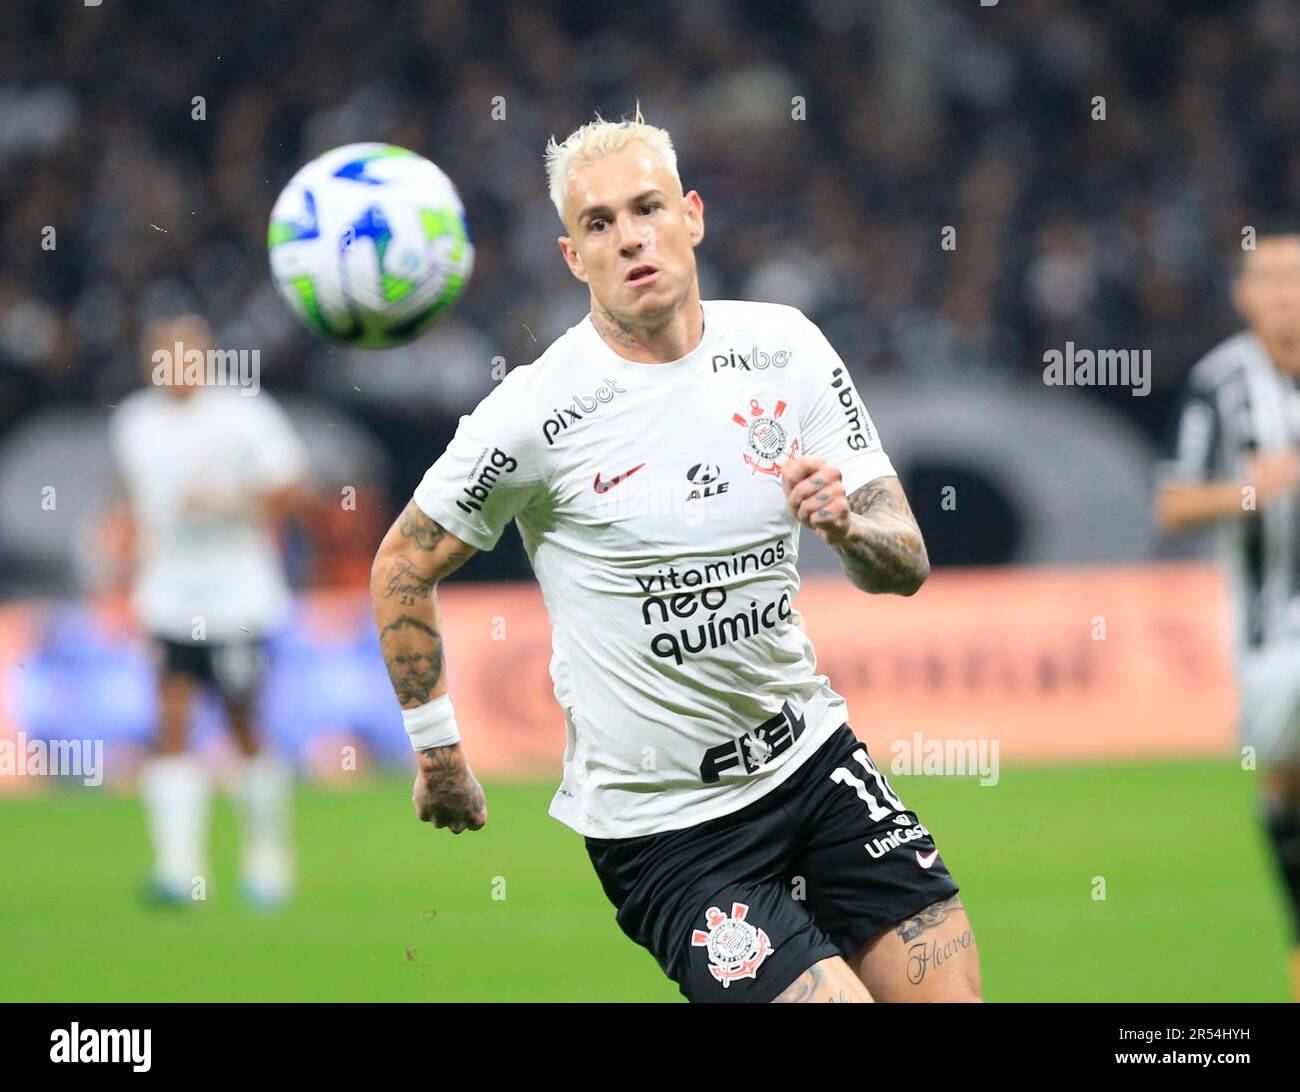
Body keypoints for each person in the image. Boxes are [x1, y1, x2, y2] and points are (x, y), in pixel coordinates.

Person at [370, 111, 982, 1002]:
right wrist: (437, 752)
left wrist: (847, 526)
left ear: (692, 215)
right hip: (671, 832)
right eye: (599, 224)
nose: (630, 238)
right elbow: (400, 565)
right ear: (573, 257)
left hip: (812, 763)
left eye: (646, 208)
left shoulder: (785, 349)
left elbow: (907, 562)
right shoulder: (536, 414)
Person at [109, 313, 308, 907]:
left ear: (207, 358)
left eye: (186, 355)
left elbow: (296, 487)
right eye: (163, 357)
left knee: (244, 727)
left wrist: (233, 500)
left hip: (237, 601)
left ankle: (268, 859)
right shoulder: (134, 423)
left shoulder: (245, 415)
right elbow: (135, 504)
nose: (174, 368)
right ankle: (178, 869)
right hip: (167, 599)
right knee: (169, 727)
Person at [1156, 226, 1300, 1001]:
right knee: (1284, 788)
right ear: (1244, 295)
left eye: (1297, 276)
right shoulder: (1220, 384)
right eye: (1270, 277)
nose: (1286, 291)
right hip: (1269, 636)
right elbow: (1174, 501)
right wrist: (1253, 489)